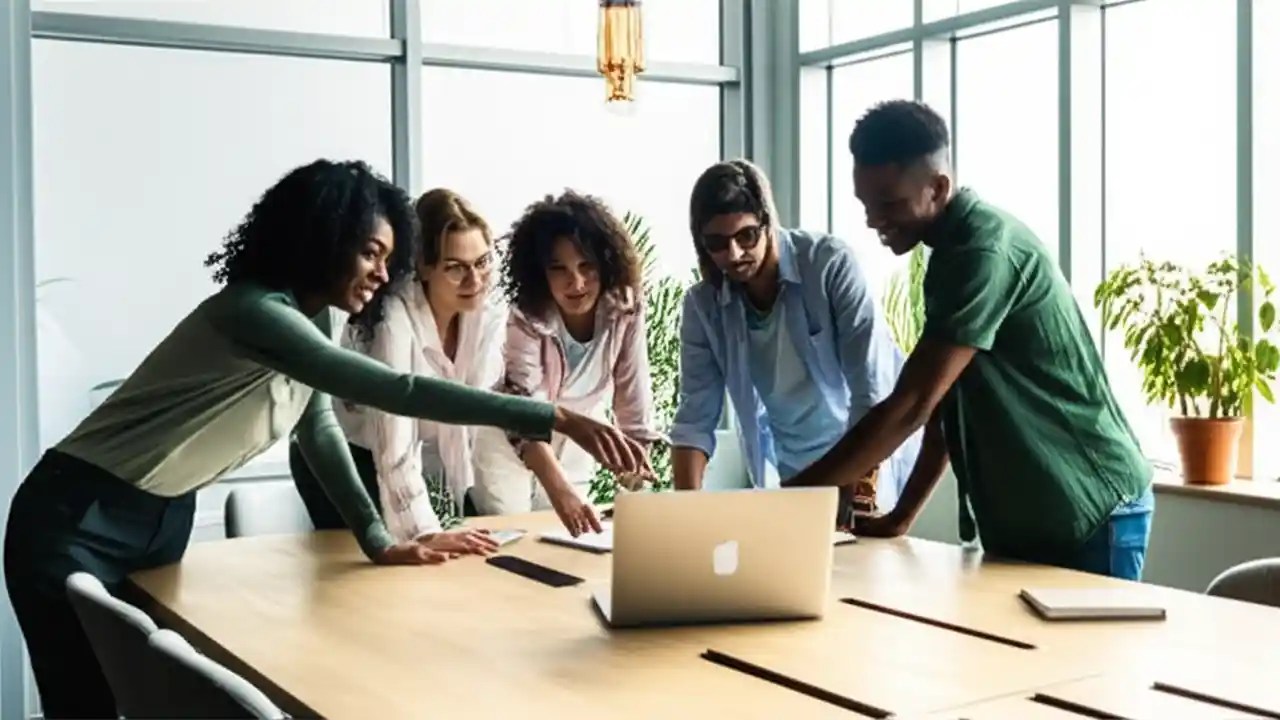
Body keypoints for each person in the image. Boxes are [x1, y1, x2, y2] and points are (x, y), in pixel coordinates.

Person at [3, 160, 649, 719]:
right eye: (370, 253)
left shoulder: (309, 320)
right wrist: (557, 418)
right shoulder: (257, 311)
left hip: (162, 513)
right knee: (85, 707)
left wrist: (376, 538)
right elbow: (398, 390)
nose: (383, 272)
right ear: (324, 239)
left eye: (389, 257)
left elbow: (317, 428)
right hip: (76, 512)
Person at [783, 99, 1154, 580]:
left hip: (1090, 508)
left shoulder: (983, 249)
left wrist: (790, 498)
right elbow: (944, 407)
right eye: (866, 204)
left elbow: (912, 403)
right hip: (1035, 518)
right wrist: (901, 517)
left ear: (938, 188)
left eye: (888, 203)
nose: (873, 219)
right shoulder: (948, 255)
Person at [670, 159, 919, 513]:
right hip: (790, 477)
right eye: (717, 243)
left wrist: (853, 490)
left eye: (746, 236)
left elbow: (870, 392)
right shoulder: (703, 307)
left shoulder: (829, 265)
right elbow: (695, 420)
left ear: (767, 221)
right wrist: (686, 511)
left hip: (863, 461)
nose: (734, 254)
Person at [291, 187, 516, 540]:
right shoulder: (391, 321)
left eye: (483, 262)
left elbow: (475, 421)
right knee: (383, 558)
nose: (475, 280)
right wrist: (426, 533)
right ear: (423, 266)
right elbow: (393, 444)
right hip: (348, 456)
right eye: (455, 268)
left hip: (413, 457)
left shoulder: (485, 316)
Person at [489, 189, 661, 535]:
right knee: (513, 528)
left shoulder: (625, 308)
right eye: (559, 269)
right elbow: (525, 414)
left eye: (587, 266)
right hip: (509, 439)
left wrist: (635, 465)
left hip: (580, 437)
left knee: (565, 536)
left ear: (606, 265)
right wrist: (561, 491)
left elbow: (632, 394)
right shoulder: (526, 318)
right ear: (540, 272)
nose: (576, 283)